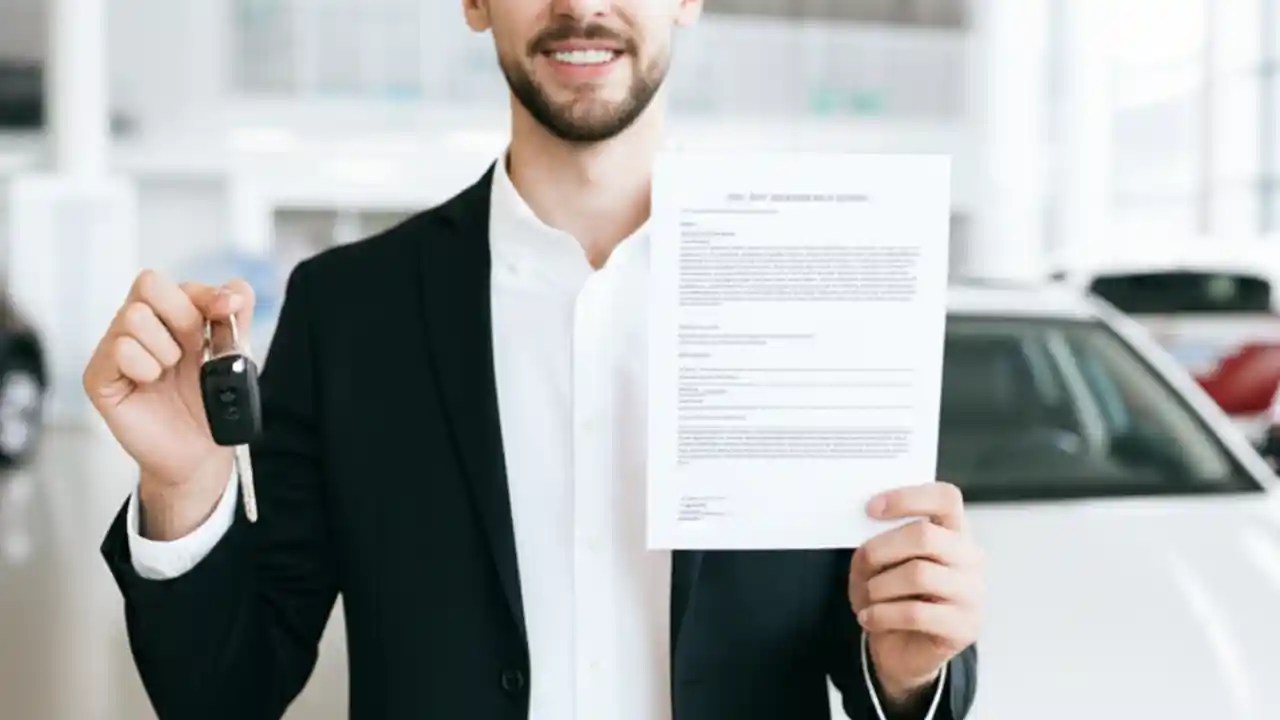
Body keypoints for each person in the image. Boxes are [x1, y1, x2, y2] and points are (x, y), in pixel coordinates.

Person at [83, 1, 983, 718]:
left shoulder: (810, 287)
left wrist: (905, 675)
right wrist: (183, 488)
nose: (580, 6)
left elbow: (881, 643)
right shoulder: (351, 311)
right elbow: (223, 694)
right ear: (475, 3)